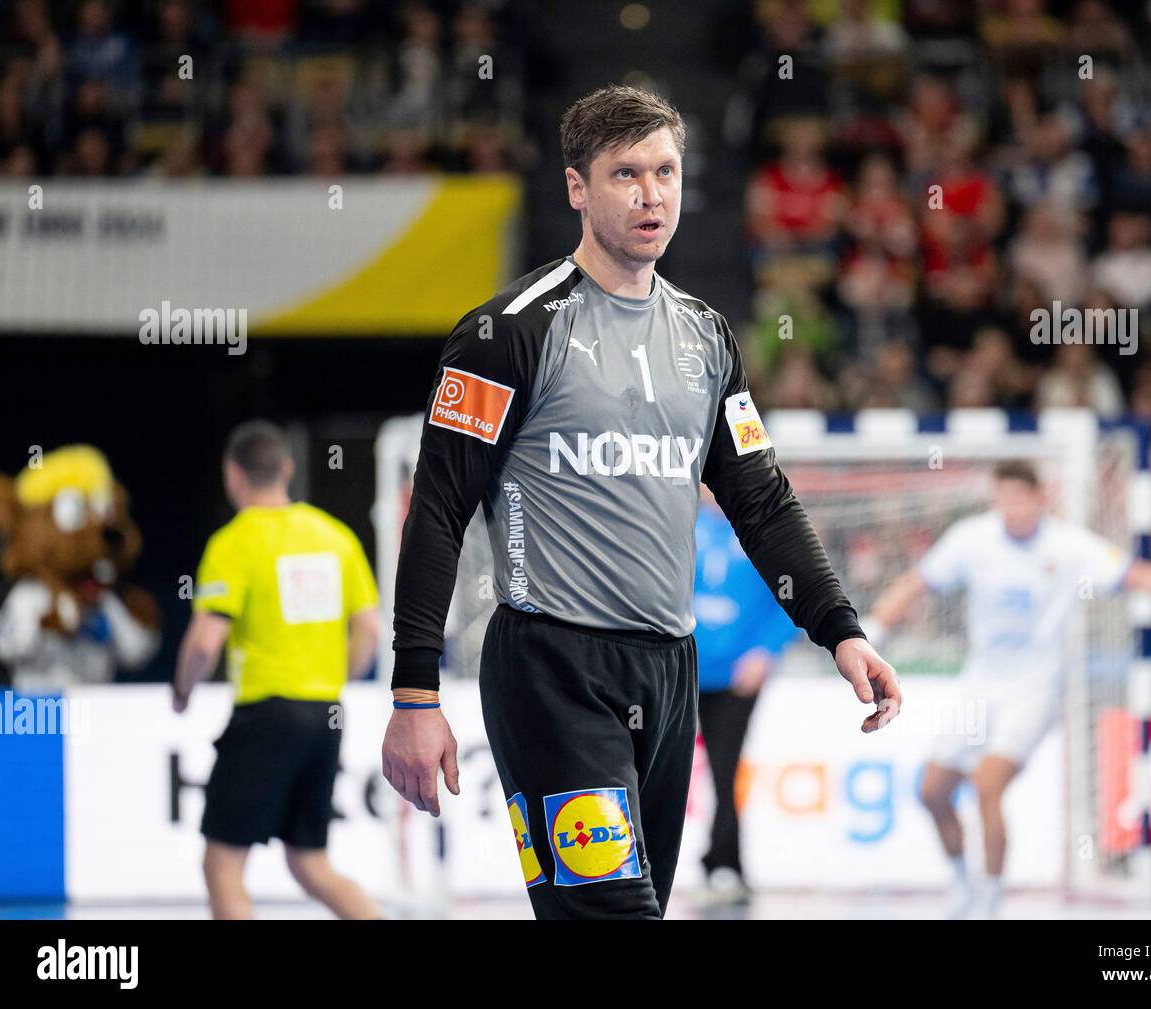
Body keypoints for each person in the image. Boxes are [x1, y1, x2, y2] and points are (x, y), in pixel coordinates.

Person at [381, 84, 901, 920]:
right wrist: (414, 695)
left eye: (666, 171)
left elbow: (761, 501)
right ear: (577, 188)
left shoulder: (705, 335)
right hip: (551, 668)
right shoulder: (507, 332)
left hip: (670, 669)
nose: (652, 194)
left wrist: (838, 628)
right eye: (626, 174)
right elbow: (436, 513)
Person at [864, 460, 1151, 918]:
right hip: (981, 684)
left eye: (1019, 500)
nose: (1011, 509)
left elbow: (1133, 574)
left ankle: (989, 901)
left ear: (1039, 499)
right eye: (1003, 499)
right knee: (931, 791)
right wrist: (871, 631)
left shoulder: (1068, 546)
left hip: (1037, 688)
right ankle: (964, 886)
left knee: (988, 784)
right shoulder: (973, 538)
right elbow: (915, 584)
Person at [174, 421, 383, 920]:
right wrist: (337, 679)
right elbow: (372, 630)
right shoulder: (335, 537)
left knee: (222, 865)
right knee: (311, 864)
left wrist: (182, 688)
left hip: (266, 714)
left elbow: (206, 641)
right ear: (286, 468)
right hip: (325, 715)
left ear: (232, 475)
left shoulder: (234, 542)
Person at [693, 487, 798, 904]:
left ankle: (724, 868)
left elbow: (790, 598)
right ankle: (634, 868)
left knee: (724, 771)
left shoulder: (763, 532)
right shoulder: (680, 524)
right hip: (679, 670)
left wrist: (765, 653)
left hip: (736, 679)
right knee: (656, 767)